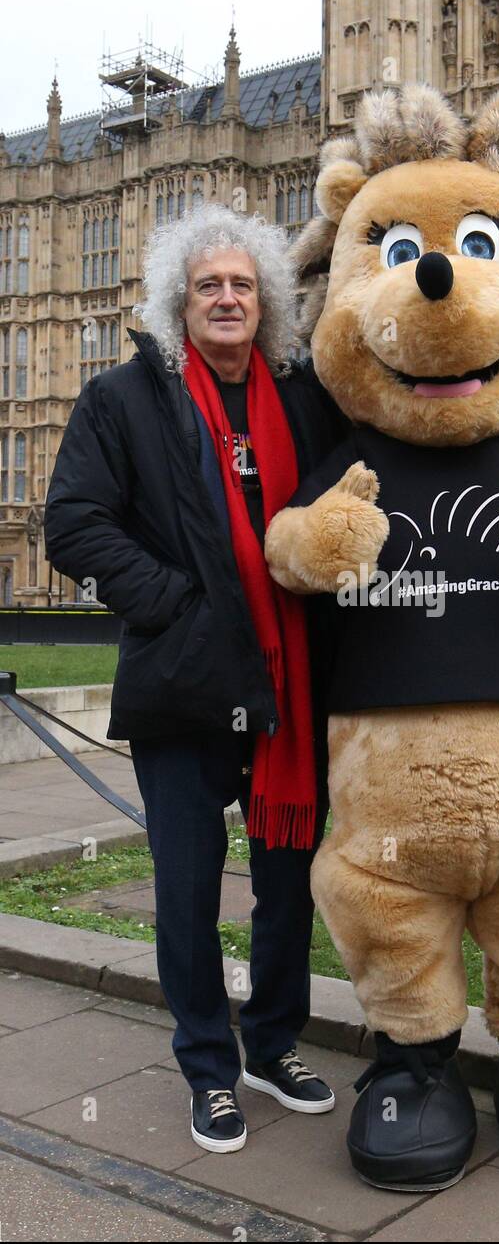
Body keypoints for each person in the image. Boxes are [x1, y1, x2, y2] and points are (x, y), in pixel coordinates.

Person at [44, 203, 345, 1153]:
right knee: (185, 888)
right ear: (182, 299)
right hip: (182, 686)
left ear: (265, 303)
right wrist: (177, 602)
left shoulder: (302, 397)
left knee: (288, 884)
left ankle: (271, 1042)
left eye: (242, 285)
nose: (226, 298)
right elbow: (75, 526)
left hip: (288, 684)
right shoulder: (124, 398)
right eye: (210, 284)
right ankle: (209, 1069)